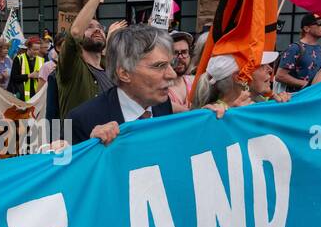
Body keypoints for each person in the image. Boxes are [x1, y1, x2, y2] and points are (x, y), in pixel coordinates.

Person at [69, 24, 227, 146]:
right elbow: (59, 169)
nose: (172, 74)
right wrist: (90, 148)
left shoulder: (161, 104)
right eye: (159, 66)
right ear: (124, 73)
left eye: (170, 64)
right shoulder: (81, 119)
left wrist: (206, 116)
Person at [58, 0, 118, 119]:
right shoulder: (72, 67)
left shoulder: (110, 69)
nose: (97, 30)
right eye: (89, 27)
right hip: (79, 143)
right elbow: (76, 32)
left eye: (100, 27)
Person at [275, 14, 321, 91]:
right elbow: (280, 76)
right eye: (320, 23)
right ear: (306, 28)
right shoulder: (295, 48)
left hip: (314, 96)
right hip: (297, 98)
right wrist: (306, 84)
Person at [7, 35, 46, 101]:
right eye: (34, 49)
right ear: (28, 48)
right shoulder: (19, 59)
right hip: (21, 96)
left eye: (38, 49)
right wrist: (29, 76)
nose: (36, 52)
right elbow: (13, 78)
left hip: (36, 96)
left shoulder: (41, 60)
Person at [166, 31, 196, 111]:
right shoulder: (159, 87)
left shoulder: (194, 82)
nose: (180, 57)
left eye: (184, 52)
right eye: (175, 53)